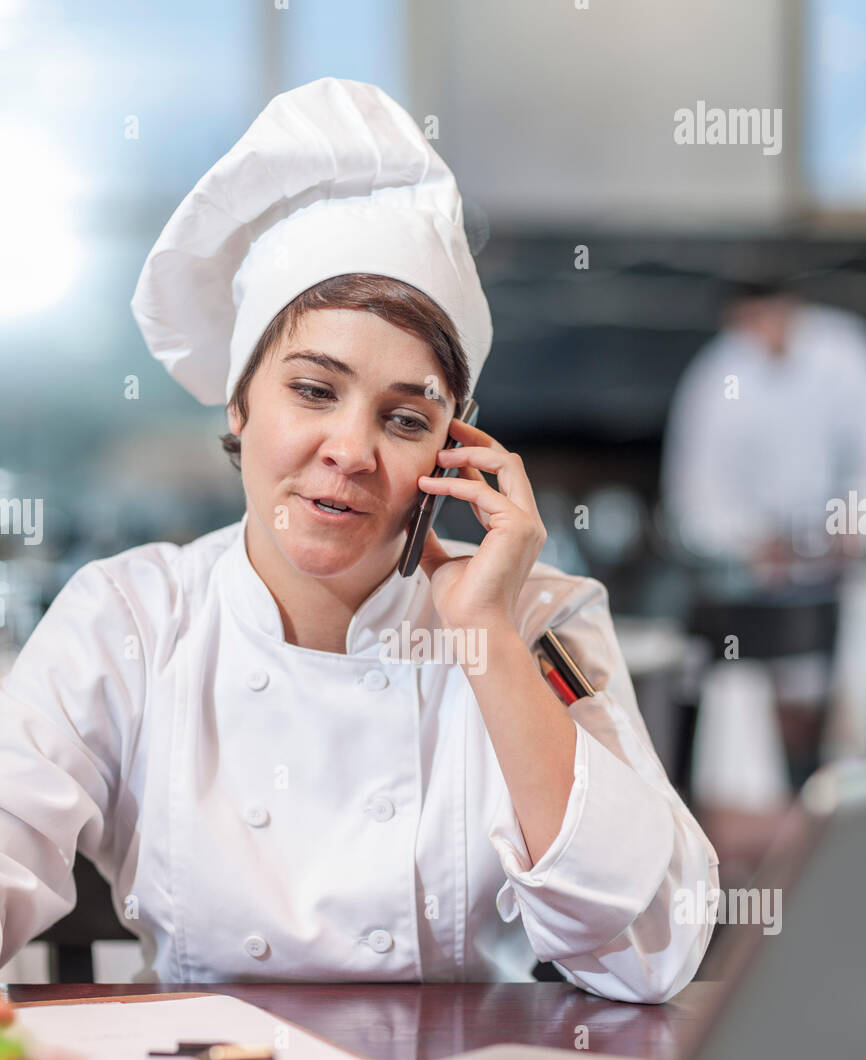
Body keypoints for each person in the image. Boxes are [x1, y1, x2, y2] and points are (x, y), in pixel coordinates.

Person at [0, 77, 718, 1004]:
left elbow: (649, 955)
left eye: (405, 418)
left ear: (454, 450)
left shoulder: (539, 619)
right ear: (239, 399)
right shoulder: (130, 618)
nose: (350, 451)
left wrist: (487, 638)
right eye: (311, 390)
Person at [661, 278, 866, 571]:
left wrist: (852, 523)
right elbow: (697, 489)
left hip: (850, 554)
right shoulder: (716, 377)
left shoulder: (846, 353)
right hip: (757, 566)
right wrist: (750, 539)